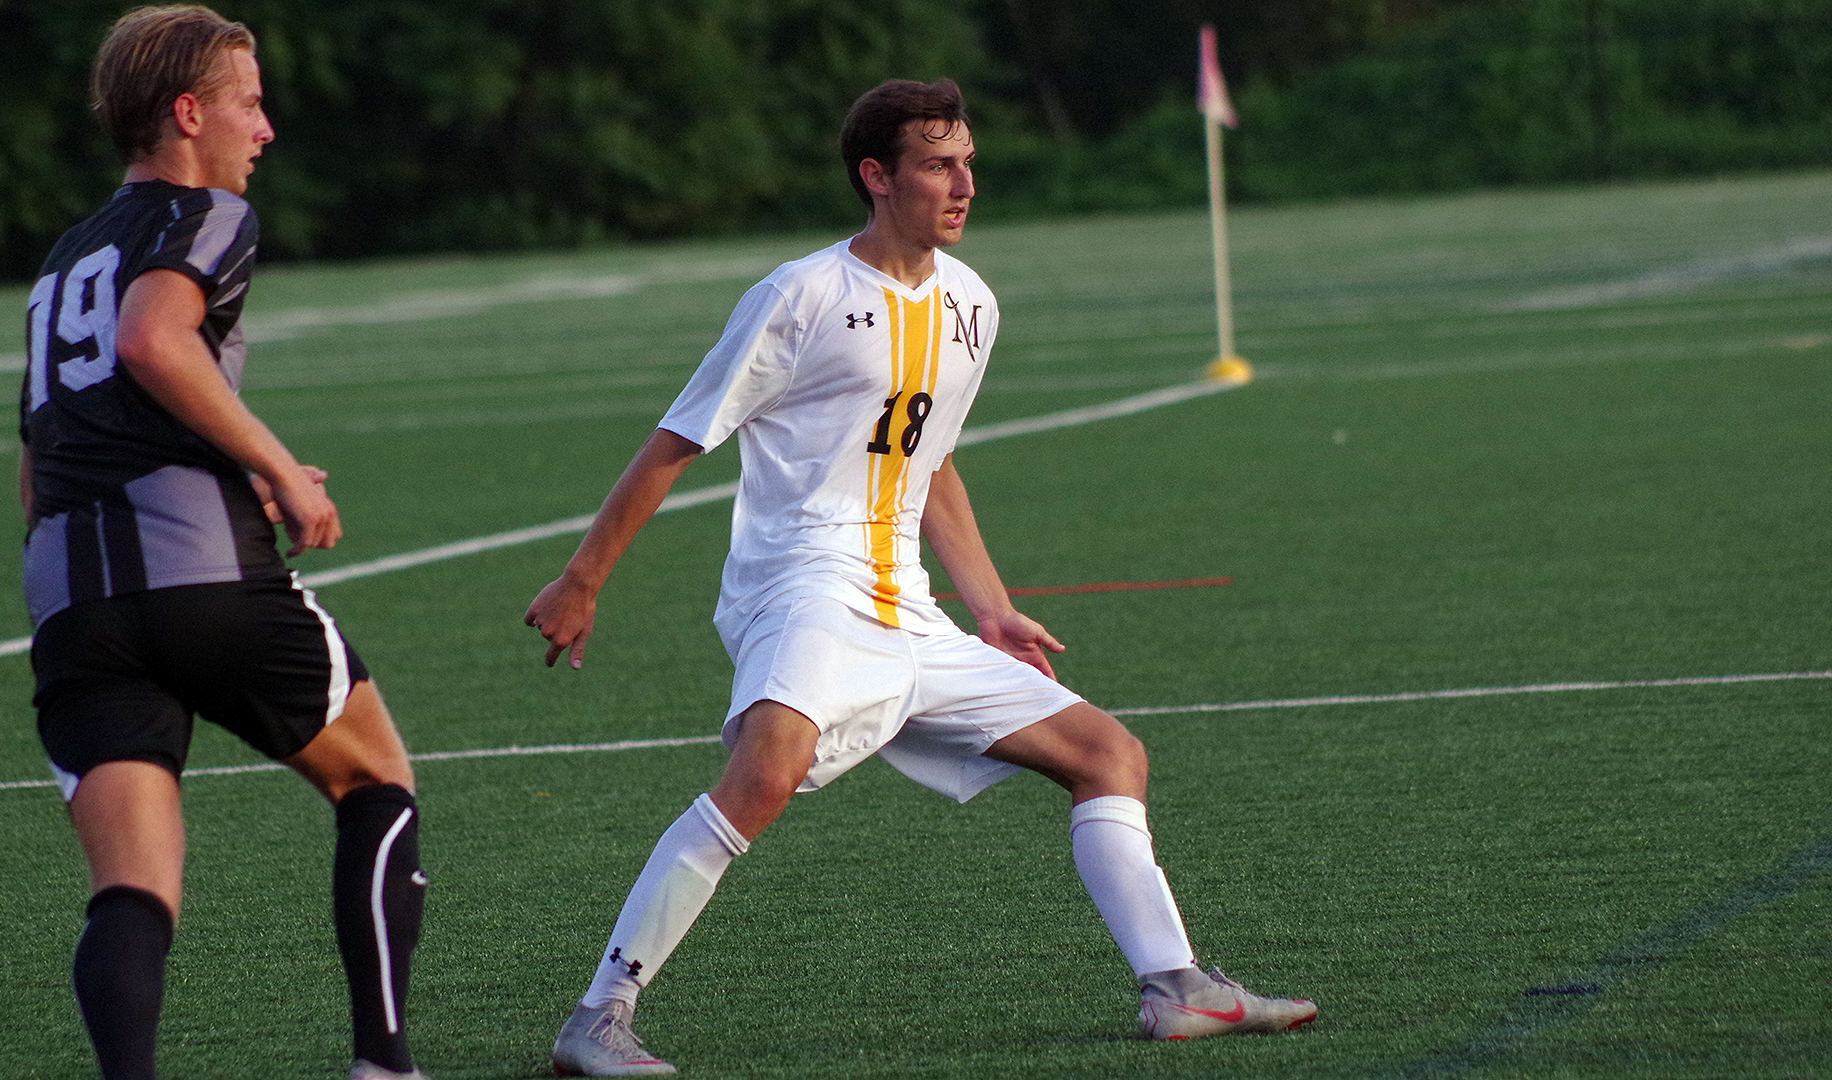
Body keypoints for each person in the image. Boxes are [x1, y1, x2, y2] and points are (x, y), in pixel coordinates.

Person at [523, 78, 1316, 1076]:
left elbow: (931, 461)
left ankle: (1177, 987)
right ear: (876, 175)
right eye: (938, 164)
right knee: (763, 775)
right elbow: (678, 440)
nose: (963, 182)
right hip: (805, 580)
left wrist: (989, 606)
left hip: (911, 605)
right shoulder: (800, 296)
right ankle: (598, 1018)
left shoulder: (971, 303)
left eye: (968, 162)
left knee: (1107, 753)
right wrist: (582, 579)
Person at [20, 8, 426, 1079]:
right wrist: (281, 468)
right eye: (249, 102)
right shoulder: (205, 213)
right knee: (377, 783)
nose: (268, 128)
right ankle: (385, 1065)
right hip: (203, 573)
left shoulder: (64, 258)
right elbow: (153, 339)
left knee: (132, 889)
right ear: (187, 113)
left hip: (71, 601)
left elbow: (48, 444)